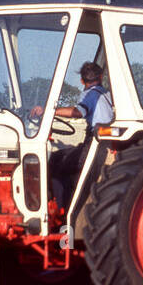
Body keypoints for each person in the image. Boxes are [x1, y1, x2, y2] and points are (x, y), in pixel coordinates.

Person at [50, 62, 114, 201]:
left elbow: (79, 112)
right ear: (101, 77)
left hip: (94, 144)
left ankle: (60, 210)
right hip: (107, 143)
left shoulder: (90, 94)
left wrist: (51, 111)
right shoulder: (107, 94)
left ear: (82, 80)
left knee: (55, 161)